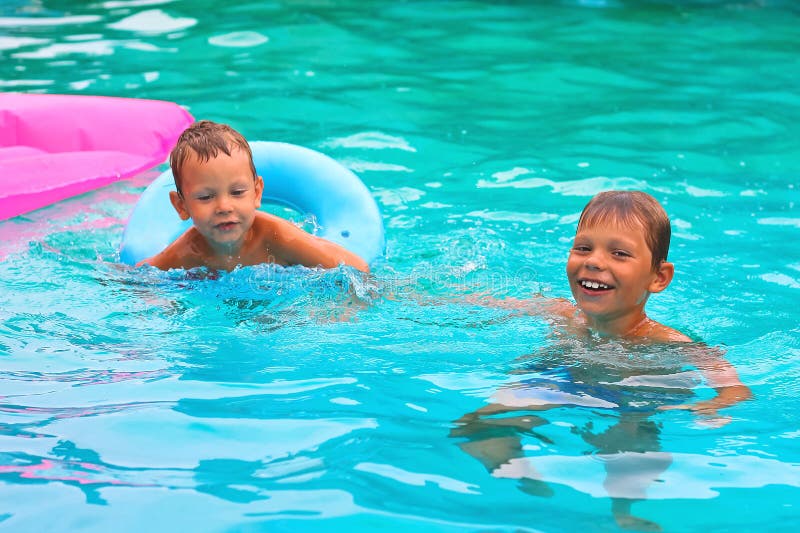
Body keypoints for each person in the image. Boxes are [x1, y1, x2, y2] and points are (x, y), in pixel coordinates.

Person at [451, 191, 751, 531]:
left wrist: (716, 405)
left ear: (659, 277)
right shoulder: (562, 314)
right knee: (473, 425)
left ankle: (625, 510)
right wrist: (381, 287)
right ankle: (522, 478)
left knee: (630, 449)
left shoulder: (666, 341)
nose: (593, 261)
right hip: (562, 376)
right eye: (583, 248)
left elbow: (732, 385)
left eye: (619, 253)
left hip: (634, 397)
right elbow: (476, 304)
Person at [137, 120, 369, 273]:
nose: (224, 206)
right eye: (206, 197)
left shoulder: (278, 238)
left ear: (257, 193)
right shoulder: (187, 252)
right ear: (181, 205)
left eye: (237, 193)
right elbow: (139, 278)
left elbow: (356, 270)